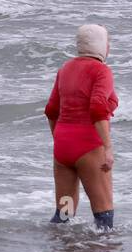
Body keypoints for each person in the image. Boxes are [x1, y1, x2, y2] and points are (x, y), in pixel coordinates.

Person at [44, 24, 118, 230]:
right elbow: (97, 108)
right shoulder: (101, 71)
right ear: (102, 46)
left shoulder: (65, 68)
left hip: (63, 149)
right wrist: (108, 148)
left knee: (64, 215)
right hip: (89, 148)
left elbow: (51, 110)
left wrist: (60, 140)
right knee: (104, 218)